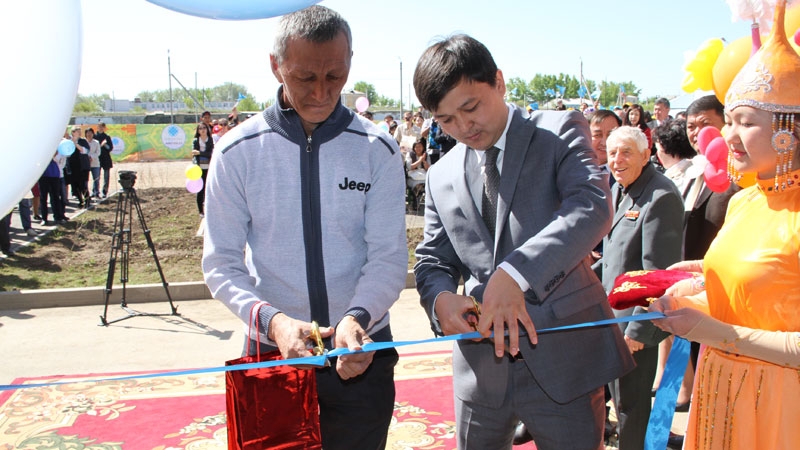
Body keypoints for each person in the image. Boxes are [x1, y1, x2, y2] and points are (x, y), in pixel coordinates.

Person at [412, 34, 633, 450]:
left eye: (470, 108)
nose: (463, 127)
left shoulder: (557, 131)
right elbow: (433, 259)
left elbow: (590, 206)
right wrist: (440, 300)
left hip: (562, 360)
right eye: (445, 120)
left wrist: (516, 274)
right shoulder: (442, 173)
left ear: (499, 82)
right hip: (481, 369)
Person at [201, 6, 407, 450]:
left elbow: (388, 258)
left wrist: (357, 318)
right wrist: (273, 323)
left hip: (362, 350)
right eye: (305, 77)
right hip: (272, 352)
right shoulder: (236, 151)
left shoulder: (378, 148)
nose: (321, 92)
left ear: (350, 61)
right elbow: (221, 265)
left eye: (335, 76)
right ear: (275, 65)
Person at [650, 2, 800, 447]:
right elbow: (748, 294)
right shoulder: (743, 201)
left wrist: (718, 334)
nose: (727, 136)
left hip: (780, 403)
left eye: (745, 122)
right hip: (719, 389)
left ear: (789, 131)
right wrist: (689, 292)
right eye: (728, 120)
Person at [594, 126, 684, 450]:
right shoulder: (620, 186)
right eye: (612, 152)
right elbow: (613, 259)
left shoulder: (661, 196)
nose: (617, 160)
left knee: (631, 407)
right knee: (613, 400)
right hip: (610, 317)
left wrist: (637, 330)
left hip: (634, 323)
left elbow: (657, 272)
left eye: (626, 152)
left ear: (646, 155)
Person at [191, 123, 214, 217]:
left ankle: (209, 209)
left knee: (208, 188)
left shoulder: (210, 139)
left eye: (204, 128)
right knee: (200, 189)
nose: (203, 130)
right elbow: (193, 152)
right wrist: (201, 153)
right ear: (198, 131)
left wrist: (200, 152)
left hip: (208, 167)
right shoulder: (196, 141)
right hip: (199, 167)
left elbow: (210, 153)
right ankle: (201, 211)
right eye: (200, 128)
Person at [405, 138, 429, 211]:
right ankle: (415, 199)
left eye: (420, 147)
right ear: (414, 148)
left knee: (425, 184)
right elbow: (409, 167)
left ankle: (418, 198)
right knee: (415, 184)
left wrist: (424, 161)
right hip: (413, 177)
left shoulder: (426, 155)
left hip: (423, 177)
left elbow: (428, 168)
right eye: (417, 147)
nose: (418, 149)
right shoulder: (410, 154)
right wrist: (419, 160)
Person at [95, 122, 114, 198]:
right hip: (97, 159)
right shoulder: (95, 137)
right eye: (99, 126)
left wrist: (105, 144)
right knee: (96, 176)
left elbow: (110, 148)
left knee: (106, 177)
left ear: (104, 128)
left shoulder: (107, 137)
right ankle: (95, 191)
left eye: (102, 127)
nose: (101, 128)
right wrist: (101, 145)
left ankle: (104, 191)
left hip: (106, 158)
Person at [85, 128, 102, 199]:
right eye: (88, 133)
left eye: (91, 133)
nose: (89, 134)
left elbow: (98, 152)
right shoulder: (84, 142)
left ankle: (96, 192)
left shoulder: (96, 142)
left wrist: (91, 157)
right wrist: (87, 158)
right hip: (86, 163)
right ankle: (86, 194)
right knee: (86, 180)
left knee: (96, 179)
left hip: (95, 163)